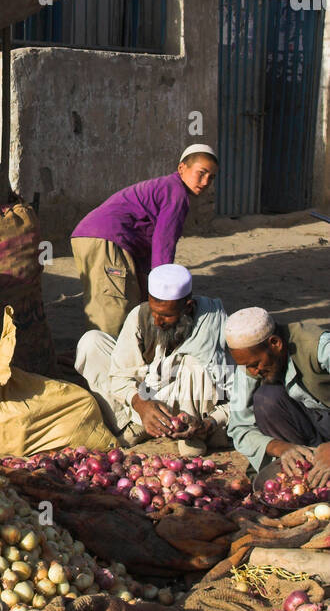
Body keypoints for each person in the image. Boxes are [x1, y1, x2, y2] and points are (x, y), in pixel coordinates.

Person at [75, 263, 230, 450]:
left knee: (194, 362)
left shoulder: (215, 326)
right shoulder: (141, 316)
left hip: (189, 405)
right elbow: (119, 374)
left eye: (166, 316)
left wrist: (210, 423)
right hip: (149, 392)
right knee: (91, 342)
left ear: (187, 308)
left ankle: (189, 432)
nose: (157, 321)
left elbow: (239, 393)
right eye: (154, 311)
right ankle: (134, 424)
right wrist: (140, 404)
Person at [70, 144, 218, 336]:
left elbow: (145, 246)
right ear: (182, 168)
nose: (206, 181)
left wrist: (146, 285)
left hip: (92, 237)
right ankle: (106, 362)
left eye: (211, 177)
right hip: (106, 239)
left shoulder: (166, 187)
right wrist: (163, 289)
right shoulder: (176, 193)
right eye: (201, 173)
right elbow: (164, 242)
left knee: (119, 300)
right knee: (113, 309)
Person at [225, 307, 330, 488]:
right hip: (312, 432)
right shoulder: (249, 367)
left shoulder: (318, 347)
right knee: (267, 399)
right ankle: (305, 477)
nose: (253, 372)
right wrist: (281, 448)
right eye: (246, 366)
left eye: (255, 364)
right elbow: (239, 427)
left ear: (275, 343)